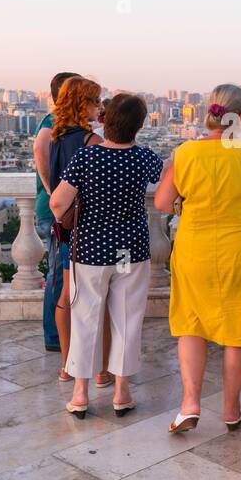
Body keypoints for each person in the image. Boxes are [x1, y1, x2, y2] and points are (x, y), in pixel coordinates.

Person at [154, 83, 241, 432]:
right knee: (238, 330)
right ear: (240, 118)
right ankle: (230, 409)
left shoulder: (185, 153)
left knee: (191, 325)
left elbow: (163, 203)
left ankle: (189, 404)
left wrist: (188, 201)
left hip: (194, 248)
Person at [49, 93, 162, 418]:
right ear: (138, 127)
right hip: (131, 249)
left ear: (104, 121)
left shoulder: (87, 158)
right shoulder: (144, 158)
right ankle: (122, 393)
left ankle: (81, 394)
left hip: (91, 251)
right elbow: (168, 177)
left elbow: (58, 203)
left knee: (85, 318)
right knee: (127, 319)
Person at [48, 76, 113, 384]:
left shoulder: (56, 136)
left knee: (67, 295)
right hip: (91, 227)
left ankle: (66, 365)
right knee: (96, 300)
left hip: (65, 225)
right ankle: (101, 371)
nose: (99, 107)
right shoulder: (91, 142)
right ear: (82, 103)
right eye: (95, 101)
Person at [34, 71, 79, 351]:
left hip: (60, 210)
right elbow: (40, 149)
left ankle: (62, 334)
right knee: (59, 271)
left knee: (63, 270)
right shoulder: (53, 123)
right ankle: (54, 337)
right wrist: (55, 193)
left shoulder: (63, 123)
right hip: (57, 212)